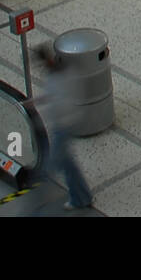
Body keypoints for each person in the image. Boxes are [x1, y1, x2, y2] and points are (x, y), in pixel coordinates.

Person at [32, 43, 94, 210]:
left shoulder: (60, 75)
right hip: (65, 122)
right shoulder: (60, 72)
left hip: (64, 124)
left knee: (57, 162)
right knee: (68, 163)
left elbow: (61, 101)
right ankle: (82, 196)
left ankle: (44, 188)